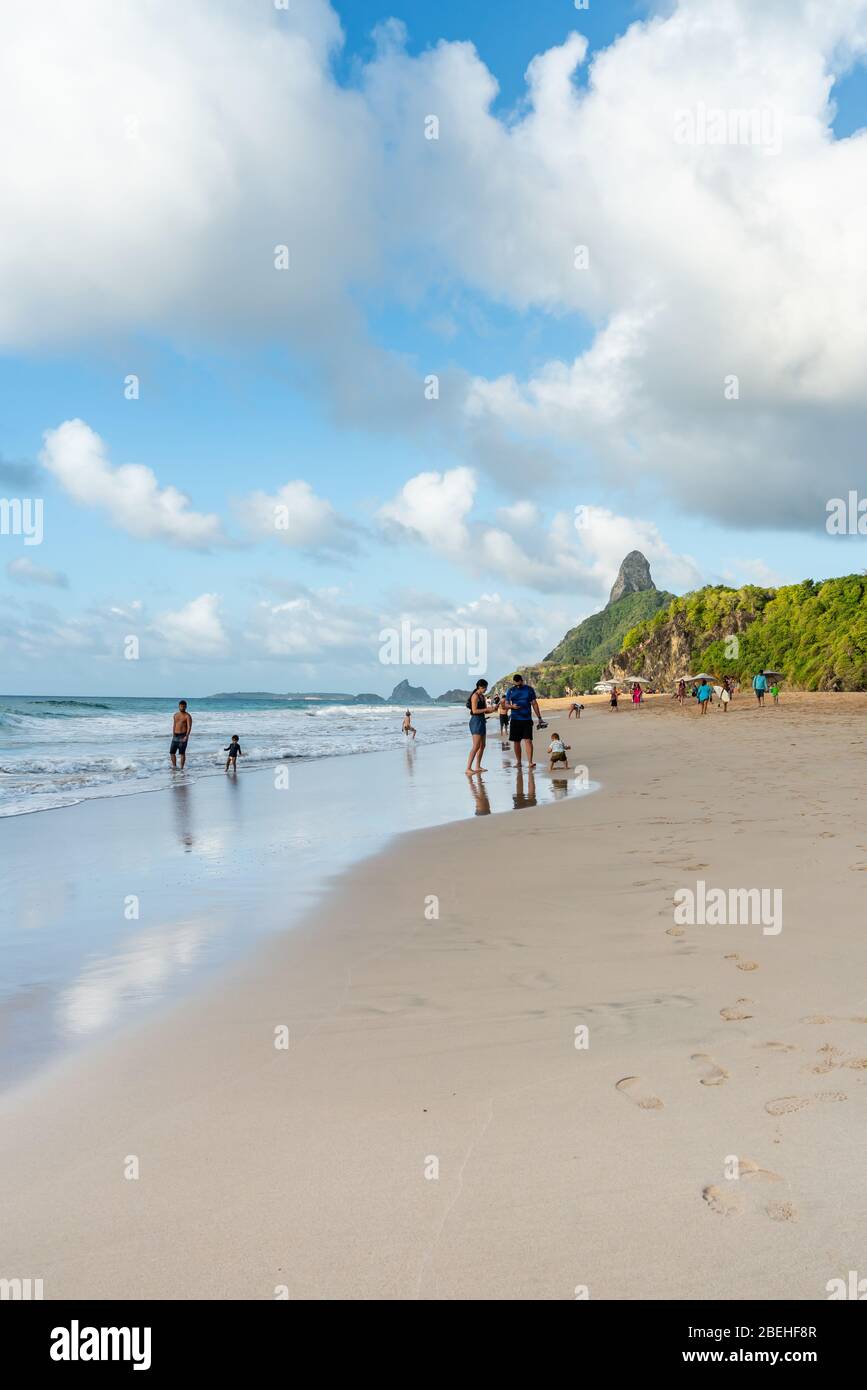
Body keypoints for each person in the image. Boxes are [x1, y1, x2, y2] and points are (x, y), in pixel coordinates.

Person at [504, 673, 543, 769]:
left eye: (519, 683)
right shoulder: (511, 690)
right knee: (516, 742)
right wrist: (512, 706)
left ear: (522, 680)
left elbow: (534, 703)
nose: (518, 685)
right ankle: (518, 762)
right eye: (516, 683)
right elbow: (506, 704)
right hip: (515, 719)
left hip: (527, 719)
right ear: (514, 682)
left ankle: (530, 762)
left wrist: (539, 717)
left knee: (528, 740)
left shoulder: (529, 689)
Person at [466, 678, 493, 775]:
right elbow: (474, 711)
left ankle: (477, 766)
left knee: (482, 745)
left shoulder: (482, 696)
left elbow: (485, 710)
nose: (486, 689)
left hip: (482, 720)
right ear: (480, 687)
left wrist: (493, 709)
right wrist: (486, 709)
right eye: (484, 688)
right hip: (475, 721)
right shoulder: (475, 696)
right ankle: (468, 768)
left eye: (486, 688)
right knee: (476, 746)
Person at [170, 700, 192, 769]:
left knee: (182, 753)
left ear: (186, 707)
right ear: (179, 706)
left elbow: (189, 727)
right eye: (181, 706)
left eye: (184, 706)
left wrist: (187, 736)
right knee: (172, 752)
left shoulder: (187, 716)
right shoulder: (175, 715)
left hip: (183, 736)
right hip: (175, 735)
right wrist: (173, 733)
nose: (183, 707)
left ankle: (182, 768)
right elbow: (174, 724)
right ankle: (174, 766)